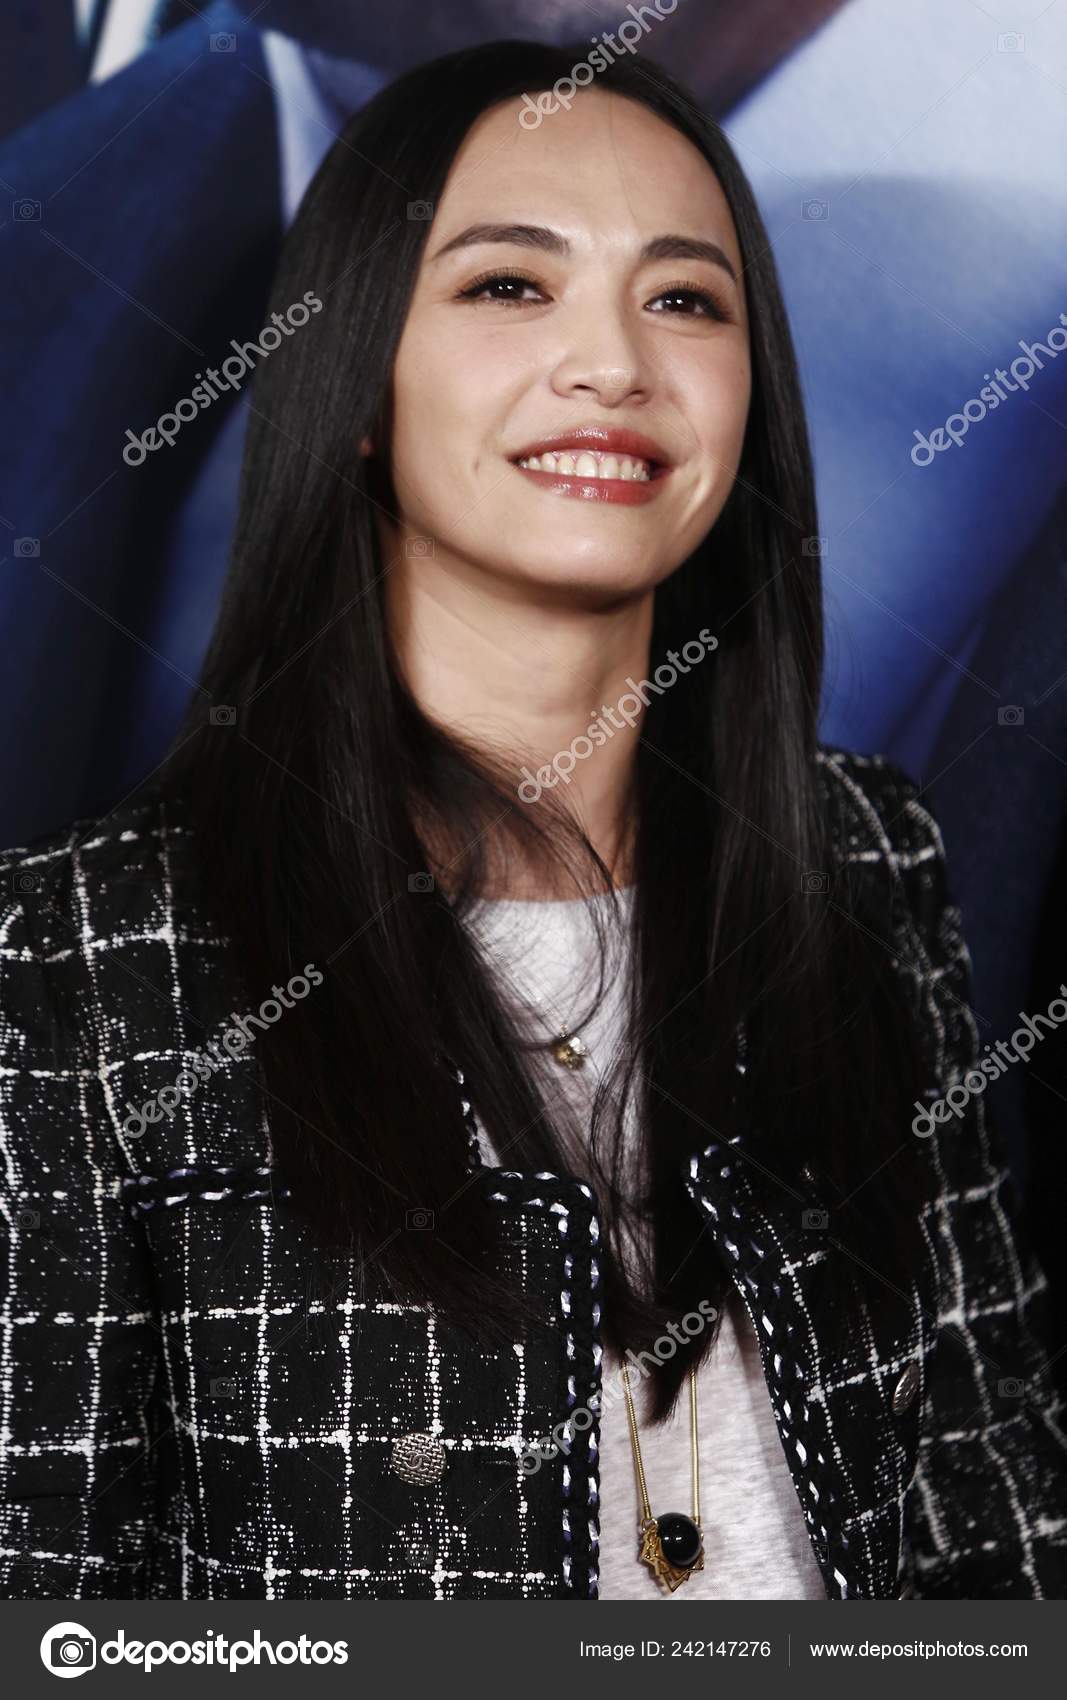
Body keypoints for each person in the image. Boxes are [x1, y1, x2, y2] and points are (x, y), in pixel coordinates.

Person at [1, 40, 1064, 1603]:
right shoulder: (81, 952)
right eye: (510, 285)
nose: (615, 365)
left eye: (686, 299)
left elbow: (1000, 1524)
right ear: (356, 381)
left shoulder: (867, 868)